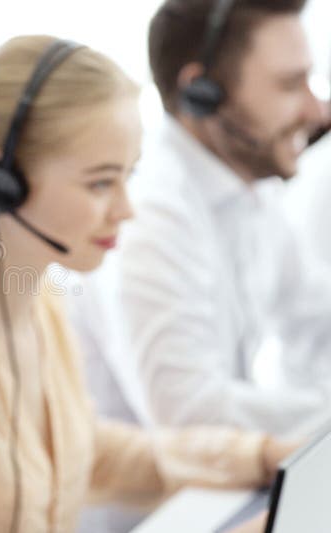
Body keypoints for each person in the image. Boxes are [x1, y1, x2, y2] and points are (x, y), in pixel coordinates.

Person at [0, 35, 291, 533]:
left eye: (127, 177)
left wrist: (262, 456)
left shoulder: (42, 302)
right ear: (2, 180)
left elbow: (89, 451)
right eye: (100, 182)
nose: (126, 209)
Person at [118, 0, 331, 437]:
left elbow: (313, 314)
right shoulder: (150, 212)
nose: (317, 111)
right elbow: (189, 413)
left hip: (231, 485)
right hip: (163, 501)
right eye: (291, 85)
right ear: (203, 92)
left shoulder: (252, 185)